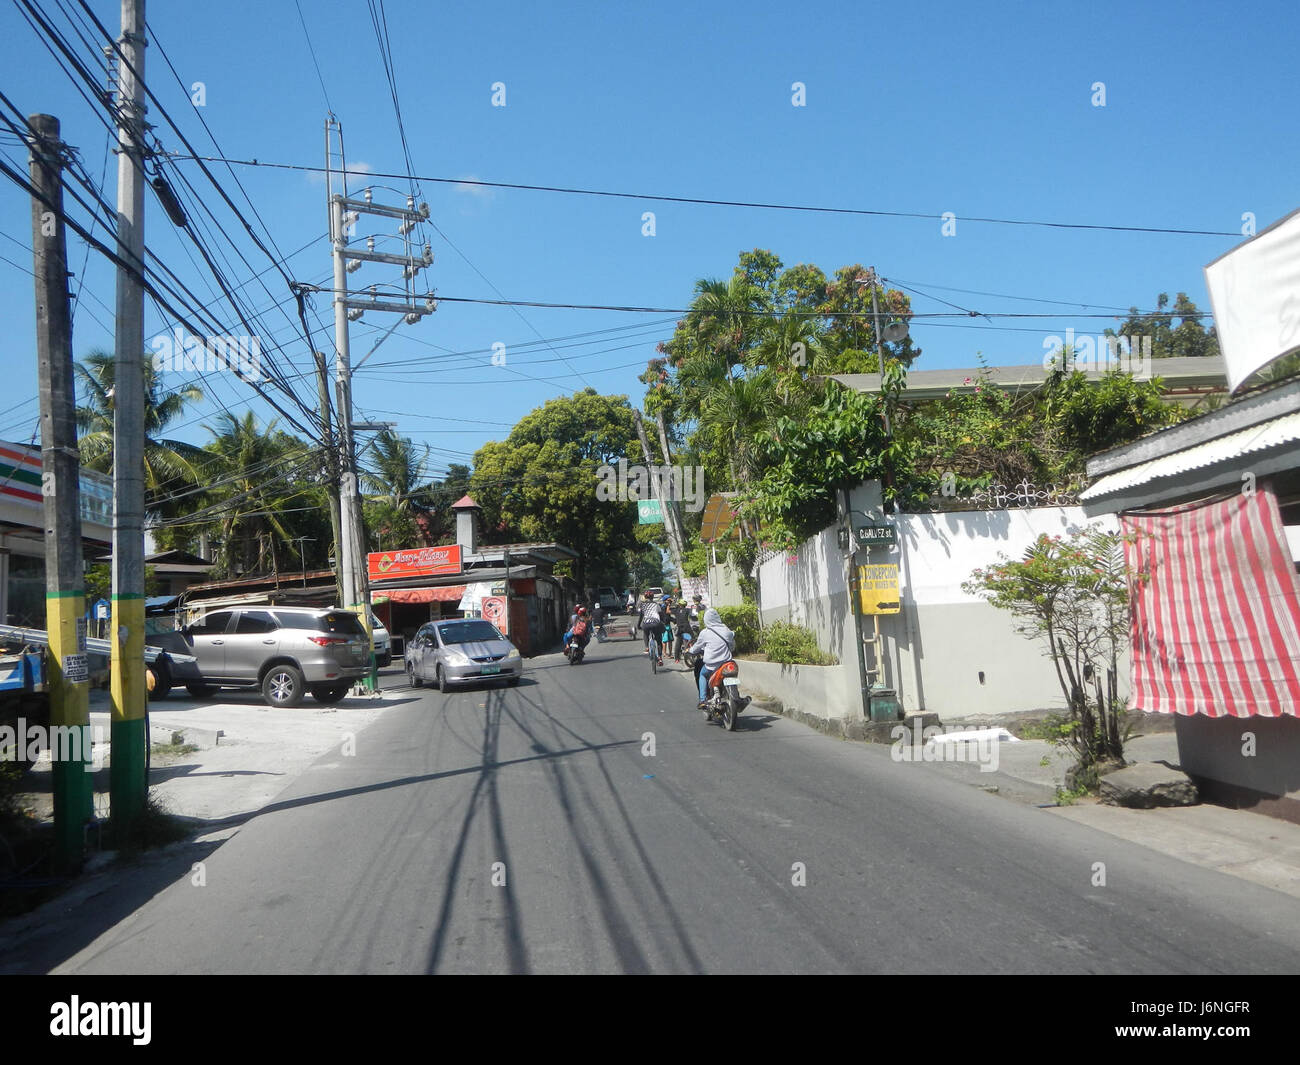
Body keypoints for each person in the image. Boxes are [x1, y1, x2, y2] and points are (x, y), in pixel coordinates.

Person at [690, 607, 735, 708]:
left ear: (706, 619)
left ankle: (703, 699)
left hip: (712, 666)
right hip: (727, 664)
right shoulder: (726, 630)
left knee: (702, 674)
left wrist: (690, 651)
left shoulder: (705, 633)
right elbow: (732, 646)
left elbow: (696, 648)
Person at [638, 590, 664, 655]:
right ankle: (660, 658)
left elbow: (641, 617)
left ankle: (647, 647)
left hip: (646, 623)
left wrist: (638, 625)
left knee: (645, 634)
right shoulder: (656, 604)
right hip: (656, 623)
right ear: (653, 597)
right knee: (659, 641)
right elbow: (661, 615)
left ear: (645, 597)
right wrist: (662, 622)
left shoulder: (642, 605)